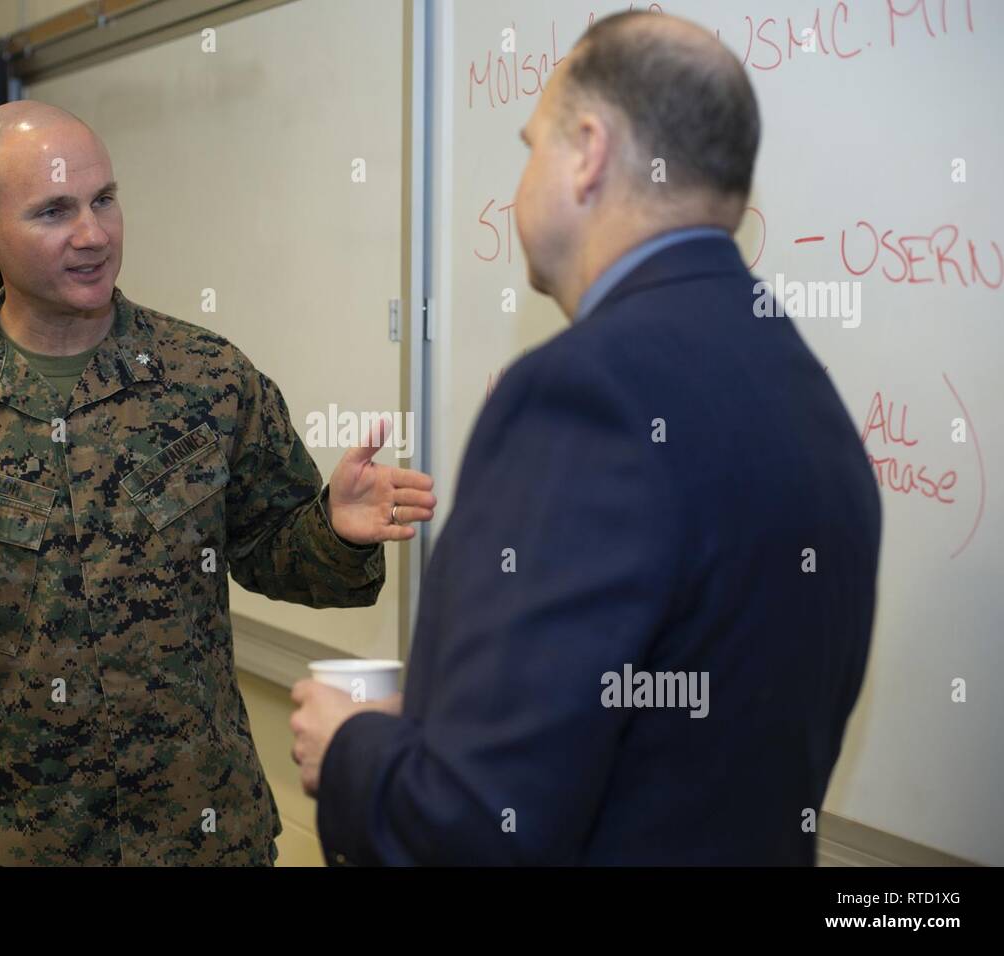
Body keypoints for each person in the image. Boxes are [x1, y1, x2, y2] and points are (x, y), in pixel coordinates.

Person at [290, 10, 880, 866]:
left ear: (589, 152)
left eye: (532, 145)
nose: (520, 178)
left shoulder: (583, 393)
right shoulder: (806, 392)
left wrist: (347, 754)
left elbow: (477, 830)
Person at [0, 100, 436, 865]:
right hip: (10, 845)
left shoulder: (209, 378)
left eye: (104, 199)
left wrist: (332, 529)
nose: (93, 235)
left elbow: (274, 551)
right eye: (53, 211)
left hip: (199, 835)